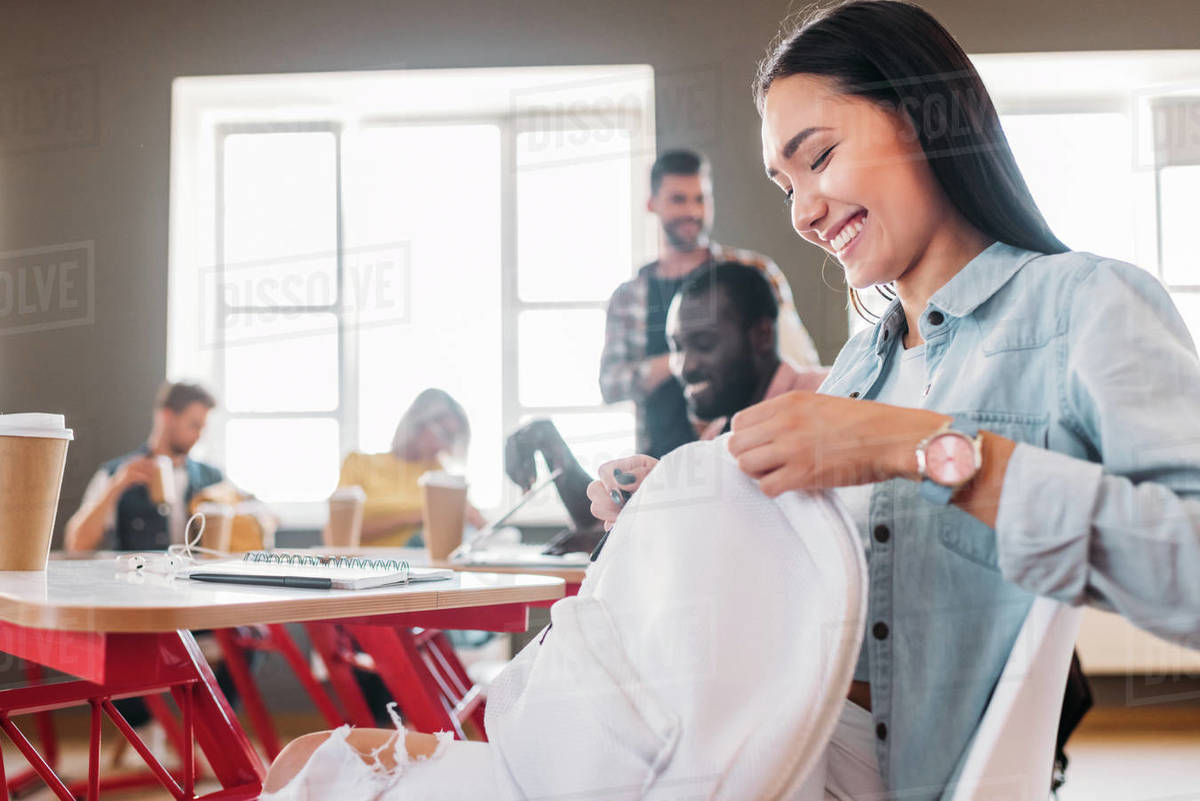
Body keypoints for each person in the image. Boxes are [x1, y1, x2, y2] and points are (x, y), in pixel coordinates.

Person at [588, 3, 1200, 800]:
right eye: (785, 187)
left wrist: (919, 449)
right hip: (783, 740)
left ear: (924, 117)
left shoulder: (1087, 305)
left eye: (821, 157)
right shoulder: (857, 364)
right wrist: (679, 503)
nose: (804, 212)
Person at [506, 261, 826, 546]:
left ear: (761, 336)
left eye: (702, 344)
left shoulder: (830, 396)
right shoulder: (716, 434)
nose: (684, 367)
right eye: (677, 348)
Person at [599, 149, 822, 459]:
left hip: (743, 448)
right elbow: (610, 385)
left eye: (700, 199)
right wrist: (685, 356)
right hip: (659, 458)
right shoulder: (628, 297)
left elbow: (797, 356)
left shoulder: (753, 272)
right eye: (679, 199)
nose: (692, 211)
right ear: (652, 204)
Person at [66, 381, 222, 552]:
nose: (199, 435)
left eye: (202, 428)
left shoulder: (213, 479)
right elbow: (76, 545)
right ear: (167, 416)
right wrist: (116, 487)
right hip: (135, 578)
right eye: (194, 425)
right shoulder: (115, 473)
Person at [335, 389, 487, 547]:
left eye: (452, 439)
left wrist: (474, 519)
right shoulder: (358, 464)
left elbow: (477, 522)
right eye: (444, 434)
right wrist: (417, 517)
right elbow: (337, 532)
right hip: (367, 565)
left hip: (421, 565)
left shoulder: (437, 472)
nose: (445, 446)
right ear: (419, 423)